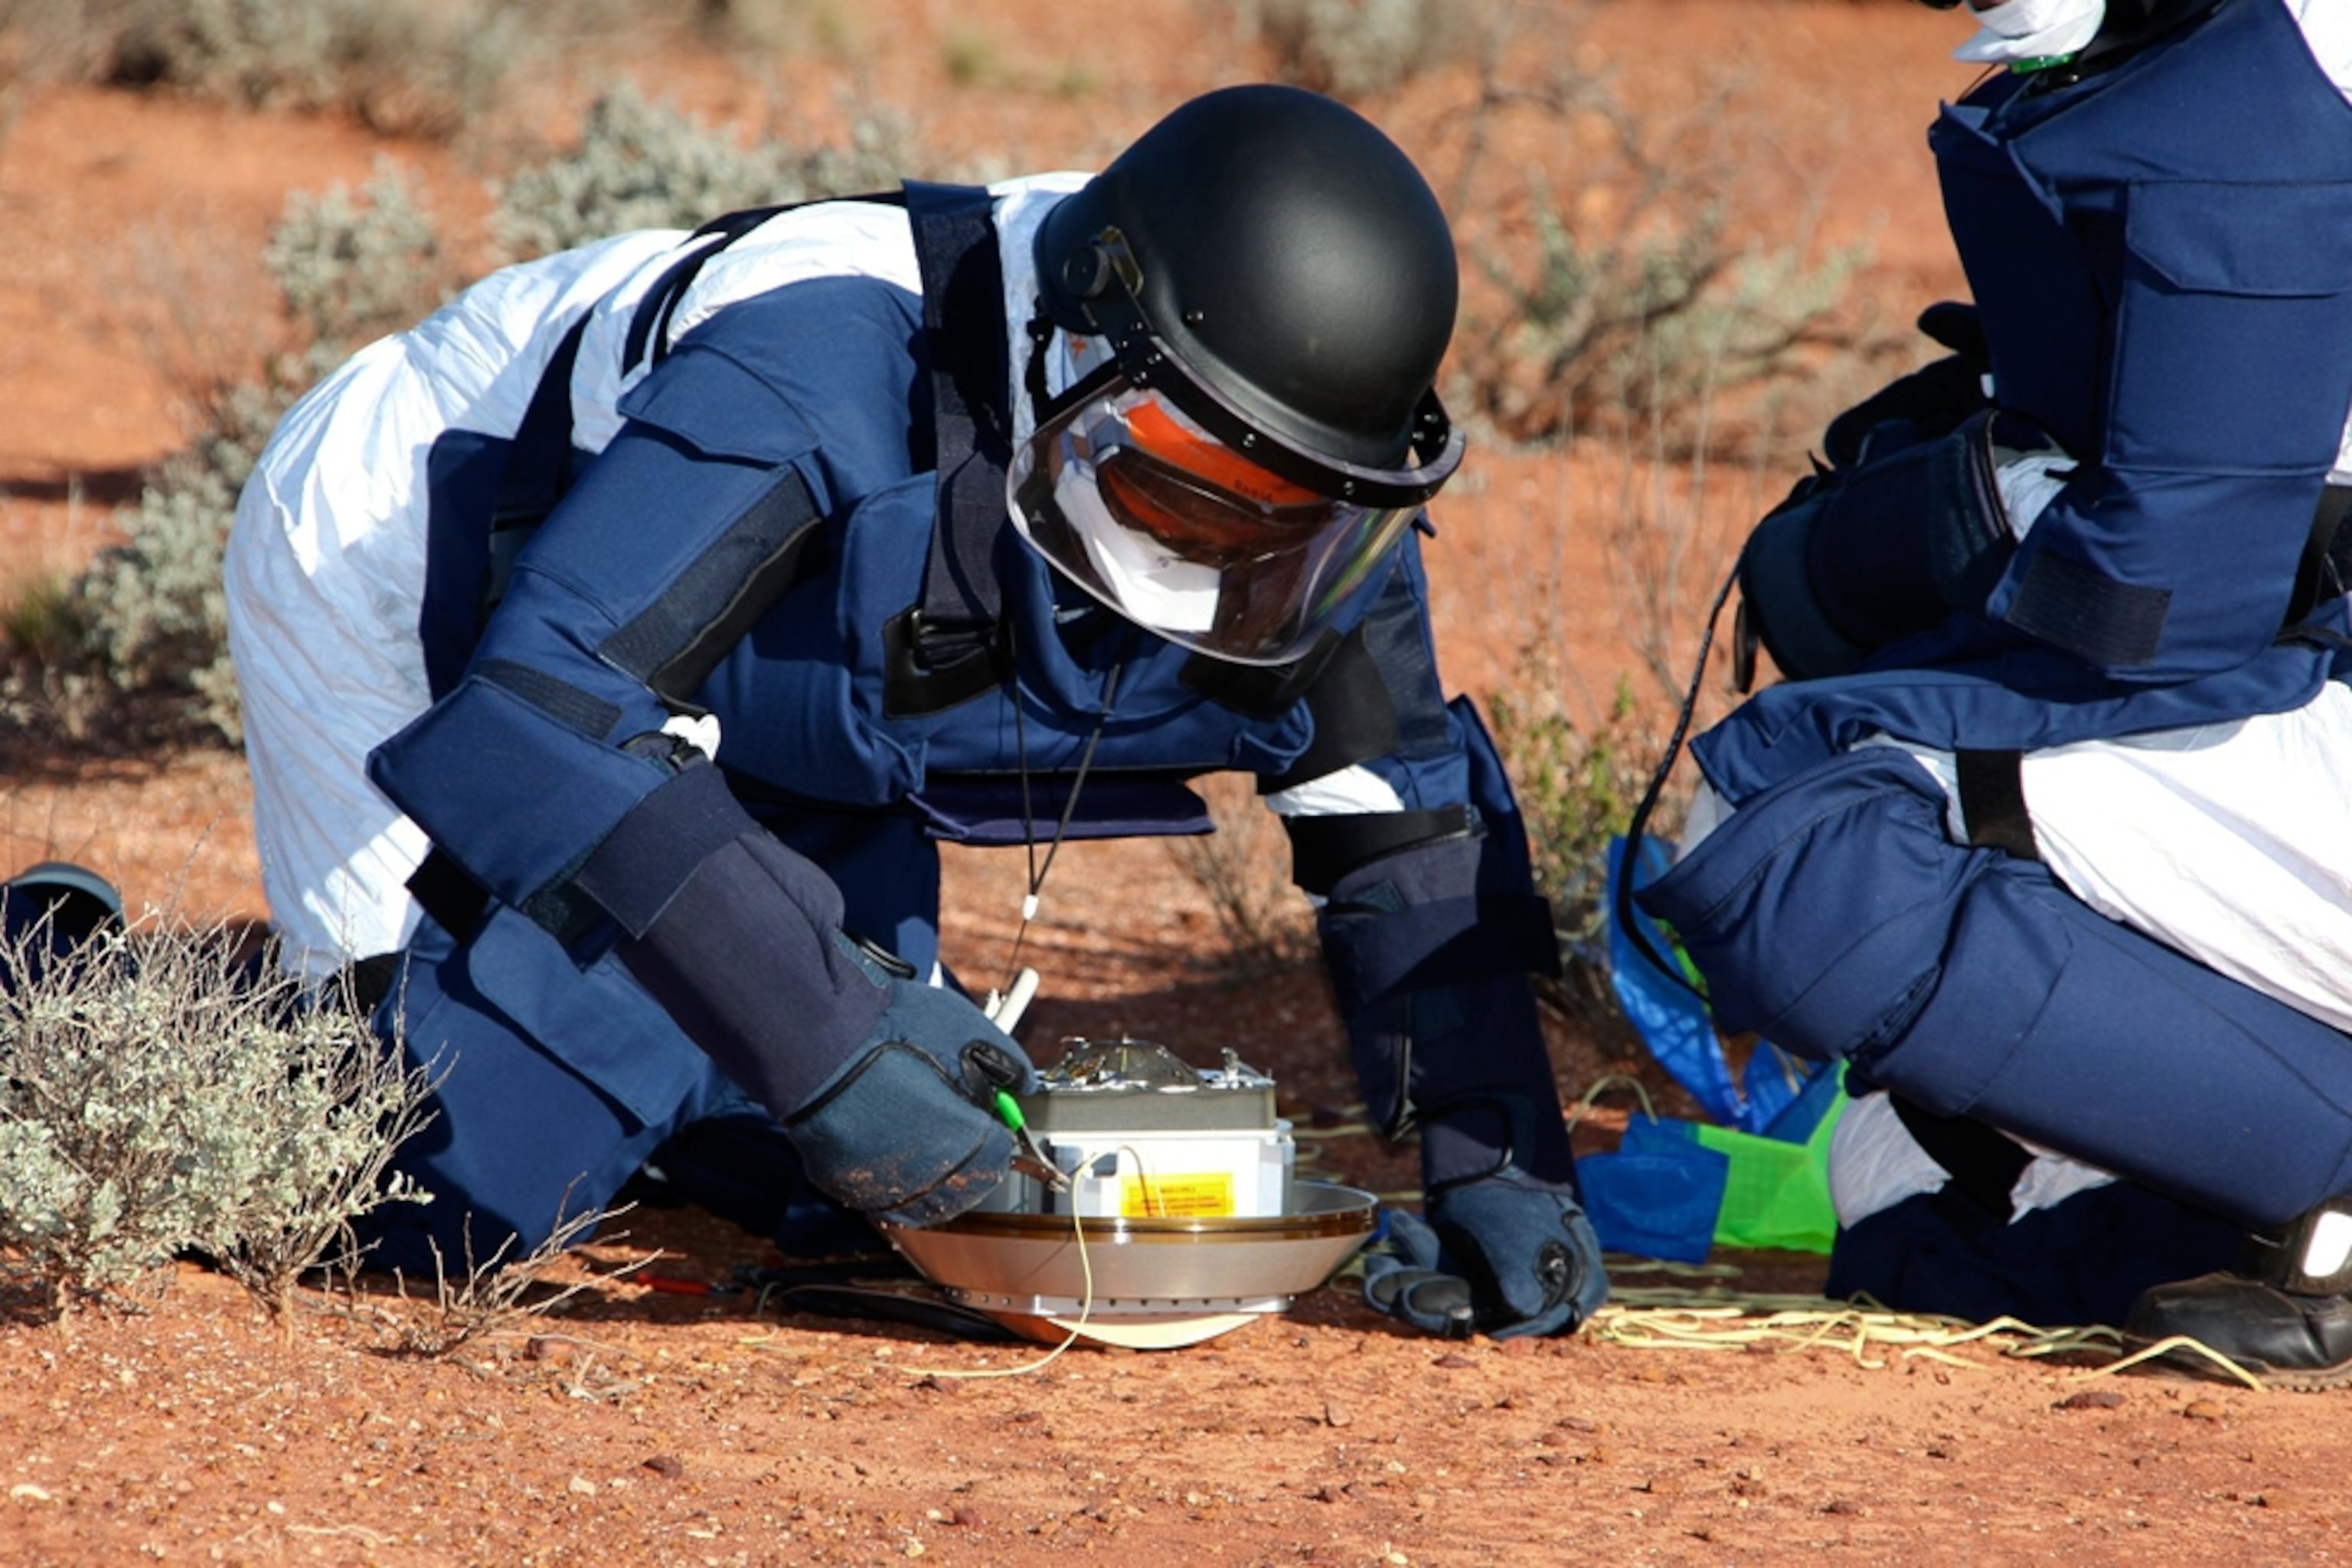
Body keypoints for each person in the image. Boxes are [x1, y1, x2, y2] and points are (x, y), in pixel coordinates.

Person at [224, 84, 1606, 1340]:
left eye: (1282, 505)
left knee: (867, 1164)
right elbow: (540, 710)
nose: (1226, 539)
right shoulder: (819, 346)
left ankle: (657, 1065)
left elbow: (1399, 813)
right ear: (1081, 339)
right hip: (431, 555)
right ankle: (73, 972)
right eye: (1188, 474)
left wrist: (1499, 1154)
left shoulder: (1303, 458)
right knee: (418, 1191)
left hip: (777, 672)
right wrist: (831, 1045)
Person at [1637, 0, 2352, 1380]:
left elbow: (2169, 590)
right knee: (1914, 1185)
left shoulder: (2290, 62)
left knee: (1789, 842)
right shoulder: (2240, 48)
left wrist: (1918, 538)